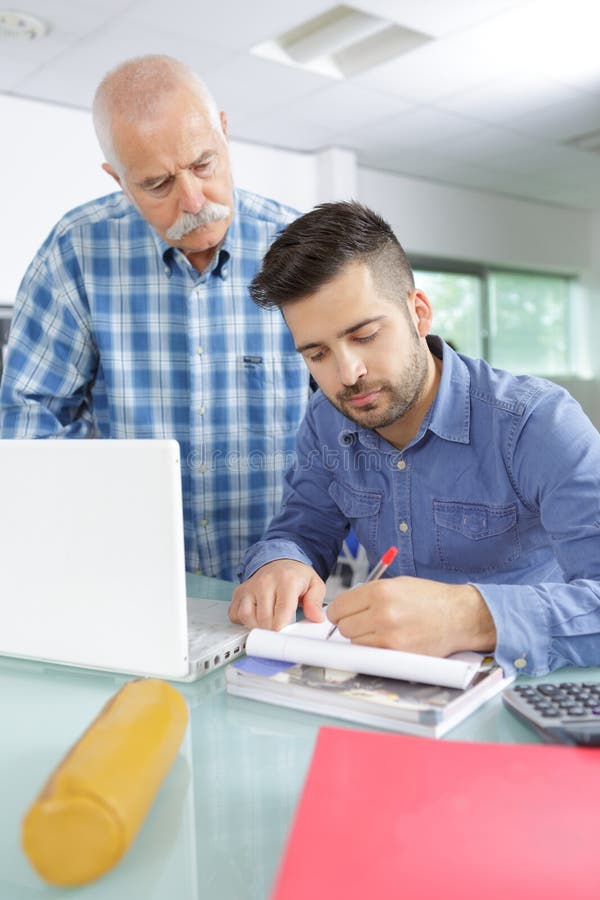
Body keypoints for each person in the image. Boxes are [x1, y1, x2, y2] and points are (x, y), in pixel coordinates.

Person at [230, 201, 600, 676]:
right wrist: (279, 562)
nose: (348, 374)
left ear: (418, 313)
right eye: (317, 354)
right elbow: (301, 530)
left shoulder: (537, 423)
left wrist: (470, 616)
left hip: (522, 690)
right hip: (389, 690)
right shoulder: (326, 420)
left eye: (364, 336)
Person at [0, 55, 310, 581]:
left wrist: (305, 544)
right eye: (158, 184)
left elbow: (349, 421)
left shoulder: (299, 247)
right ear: (118, 179)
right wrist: (100, 530)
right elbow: (28, 421)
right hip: (131, 576)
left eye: (204, 165)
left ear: (225, 132)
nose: (193, 200)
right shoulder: (77, 250)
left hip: (287, 574)